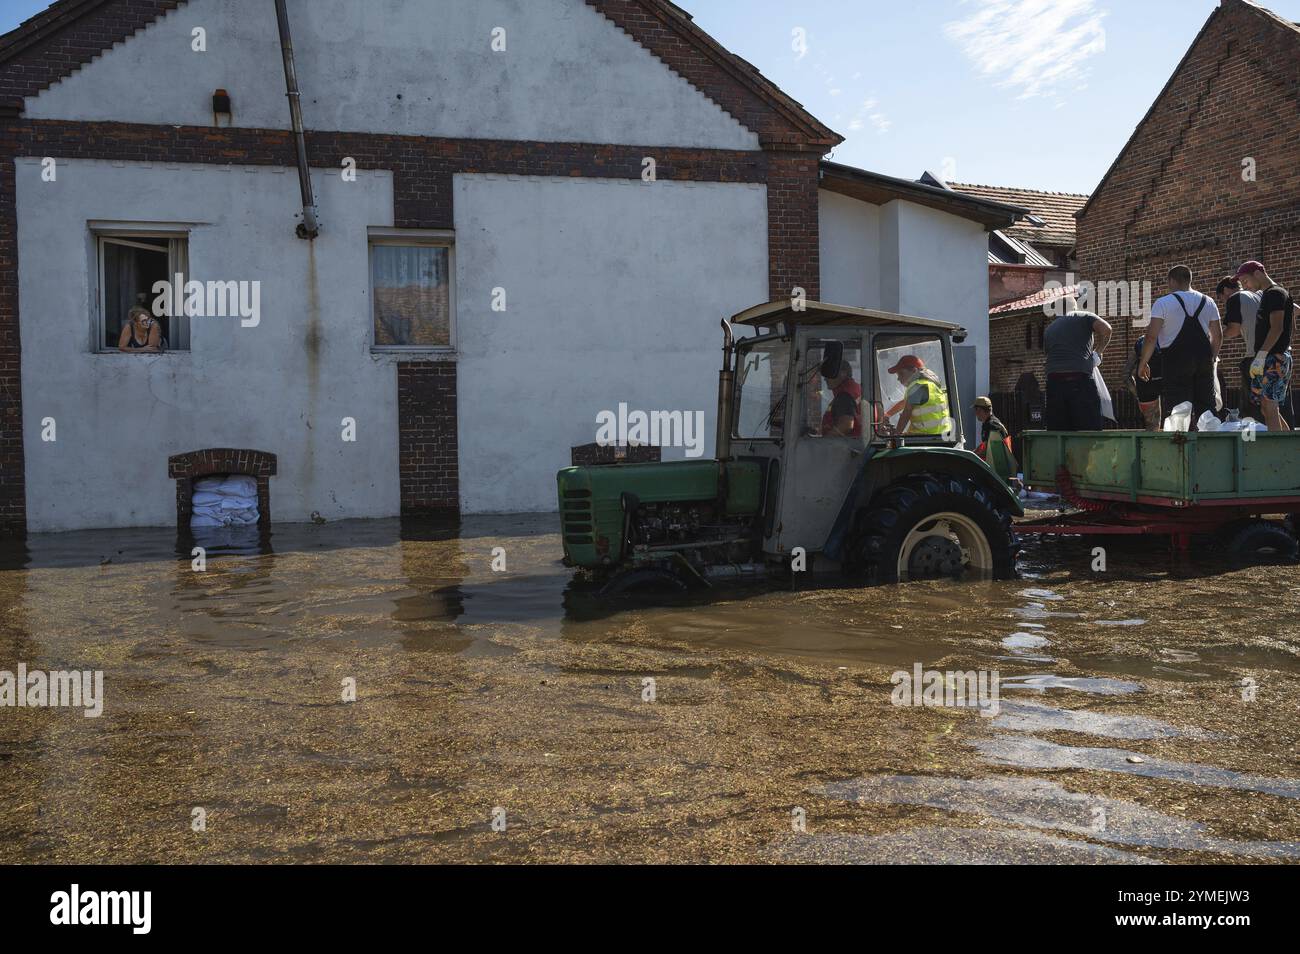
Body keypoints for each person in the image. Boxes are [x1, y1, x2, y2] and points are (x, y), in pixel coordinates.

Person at [1139, 265, 1221, 428]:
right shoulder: (1208, 301)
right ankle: (1210, 447)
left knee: (1178, 410)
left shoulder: (1163, 303)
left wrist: (1143, 362)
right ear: (1190, 279)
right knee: (1206, 409)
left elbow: (1151, 337)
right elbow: (1217, 335)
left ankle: (1180, 447)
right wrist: (1211, 358)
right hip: (1203, 359)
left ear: (1171, 280)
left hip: (1175, 361)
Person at [1236, 260, 1294, 432]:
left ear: (1257, 273)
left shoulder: (1275, 293)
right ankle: (1289, 446)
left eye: (1245, 281)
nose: (1245, 286)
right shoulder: (1269, 294)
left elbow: (1277, 327)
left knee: (1270, 407)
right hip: (1271, 356)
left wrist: (1261, 355)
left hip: (1274, 357)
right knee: (1265, 407)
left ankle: (1278, 451)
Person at [1042, 296, 1111, 431]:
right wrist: (1097, 352)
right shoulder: (1083, 316)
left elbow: (1048, 353)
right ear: (1075, 307)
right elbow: (1107, 330)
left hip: (1054, 382)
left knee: (1059, 431)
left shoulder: (1049, 329)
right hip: (1079, 380)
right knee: (1089, 429)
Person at [1217, 274, 1262, 420]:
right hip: (1275, 354)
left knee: (1253, 406)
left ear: (1225, 291)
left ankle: (1256, 439)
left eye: (1221, 299)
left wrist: (1216, 337)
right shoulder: (1260, 295)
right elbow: (1295, 309)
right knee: (1272, 405)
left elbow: (1233, 330)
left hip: (1254, 356)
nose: (1224, 303)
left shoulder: (1235, 298)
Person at [888, 355, 949, 437]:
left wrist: (896, 435)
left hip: (926, 437)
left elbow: (906, 413)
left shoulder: (918, 386)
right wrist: (887, 415)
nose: (898, 379)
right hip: (938, 435)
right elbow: (904, 403)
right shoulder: (929, 385)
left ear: (914, 371)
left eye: (901, 374)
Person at [972, 396, 1018, 479]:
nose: (975, 414)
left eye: (975, 410)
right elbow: (984, 445)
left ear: (980, 410)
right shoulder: (990, 423)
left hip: (999, 469)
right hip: (1000, 466)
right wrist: (973, 452)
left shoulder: (991, 425)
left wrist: (972, 455)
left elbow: (988, 449)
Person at [1124, 334, 1163, 430]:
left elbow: (1125, 375)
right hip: (1172, 383)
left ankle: (1151, 445)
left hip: (1145, 385)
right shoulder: (1172, 335)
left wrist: (1137, 393)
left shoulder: (1140, 342)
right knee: (1180, 425)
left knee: (1152, 428)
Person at [819, 357, 862, 437]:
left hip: (844, 447)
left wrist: (824, 442)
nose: (825, 378)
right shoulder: (855, 389)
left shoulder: (844, 395)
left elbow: (846, 426)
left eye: (829, 373)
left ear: (843, 373)